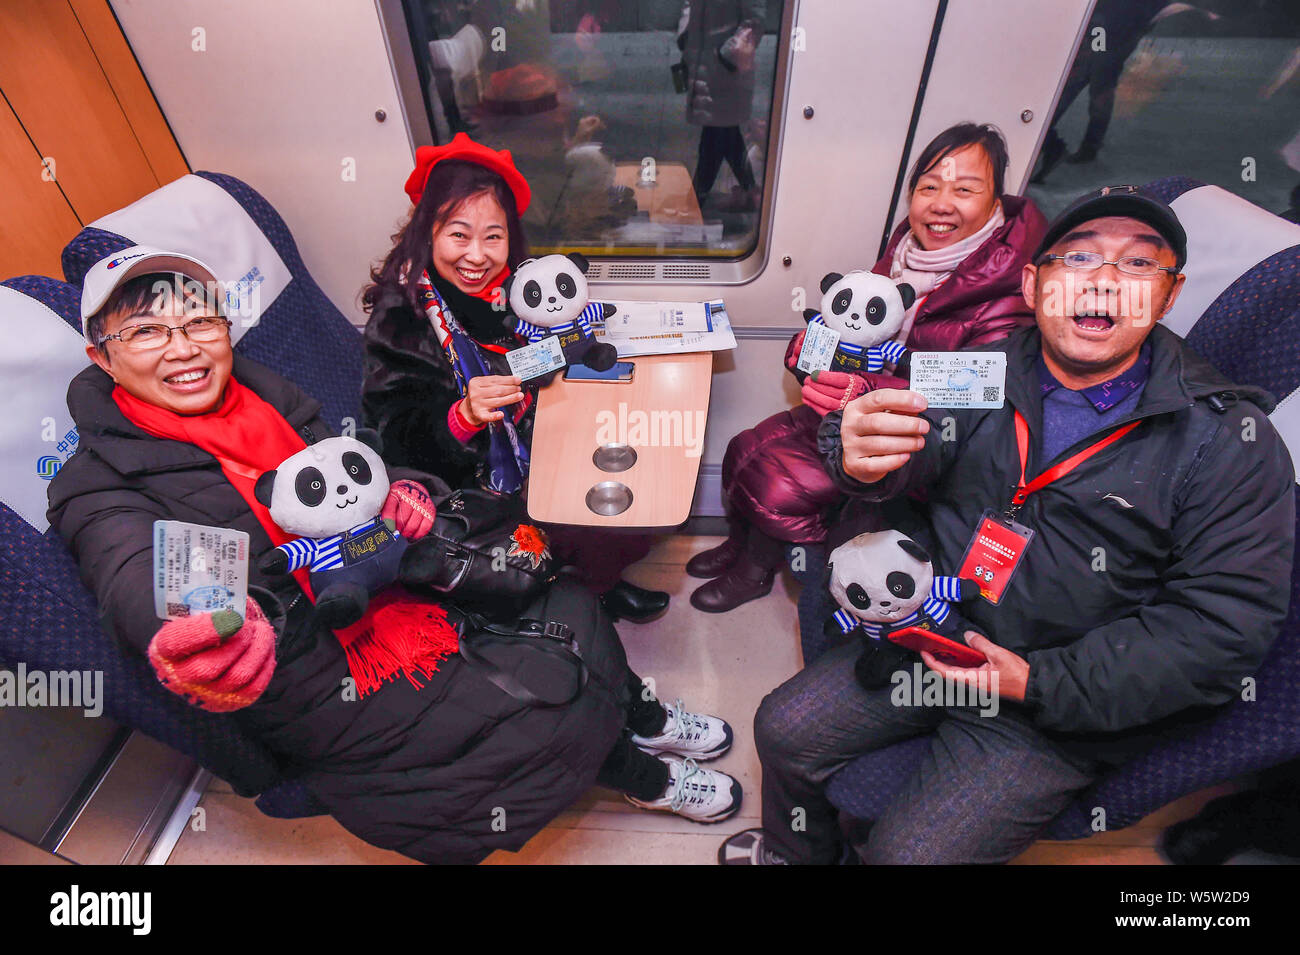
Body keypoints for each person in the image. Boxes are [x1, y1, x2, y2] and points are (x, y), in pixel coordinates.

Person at [48, 248, 743, 865]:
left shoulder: (269, 398)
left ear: (225, 330)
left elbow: (370, 472)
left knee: (558, 591)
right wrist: (229, 629)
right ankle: (638, 773)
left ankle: (640, 713)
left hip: (397, 567)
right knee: (520, 712)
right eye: (145, 332)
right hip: (313, 653)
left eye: (198, 323)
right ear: (101, 357)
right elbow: (137, 579)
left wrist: (410, 494)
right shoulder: (98, 482)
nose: (182, 349)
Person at [720, 184, 1296, 864]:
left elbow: (1217, 632)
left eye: (1139, 265)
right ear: (1033, 283)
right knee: (783, 729)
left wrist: (1039, 681)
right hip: (935, 631)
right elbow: (910, 455)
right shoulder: (981, 368)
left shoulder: (1227, 440)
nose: (1105, 281)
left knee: (912, 856)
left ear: (1168, 296)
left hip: (1051, 698)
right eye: (1078, 259)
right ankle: (799, 853)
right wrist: (857, 459)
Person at [689, 123, 1047, 612]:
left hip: (911, 445)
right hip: (846, 416)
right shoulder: (904, 255)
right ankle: (740, 547)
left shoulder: (1004, 294)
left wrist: (865, 388)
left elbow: (971, 398)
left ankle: (754, 571)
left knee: (775, 483)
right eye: (928, 188)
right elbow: (847, 325)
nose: (941, 204)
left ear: (997, 203)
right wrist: (806, 353)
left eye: (964, 190)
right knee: (742, 447)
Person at [361, 134, 669, 624]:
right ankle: (580, 593)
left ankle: (594, 582)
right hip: (466, 479)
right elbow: (395, 442)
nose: (477, 256)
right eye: (458, 235)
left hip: (535, 428)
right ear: (428, 233)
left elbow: (540, 357)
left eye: (493, 237)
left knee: (642, 477)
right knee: (602, 511)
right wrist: (461, 416)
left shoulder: (518, 292)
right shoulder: (402, 318)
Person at [677, 0, 765, 211]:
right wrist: (685, 36)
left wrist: (727, 56)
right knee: (724, 134)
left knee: (716, 136)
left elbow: (754, 20)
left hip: (728, 70)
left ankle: (697, 199)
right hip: (702, 63)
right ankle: (751, 193)